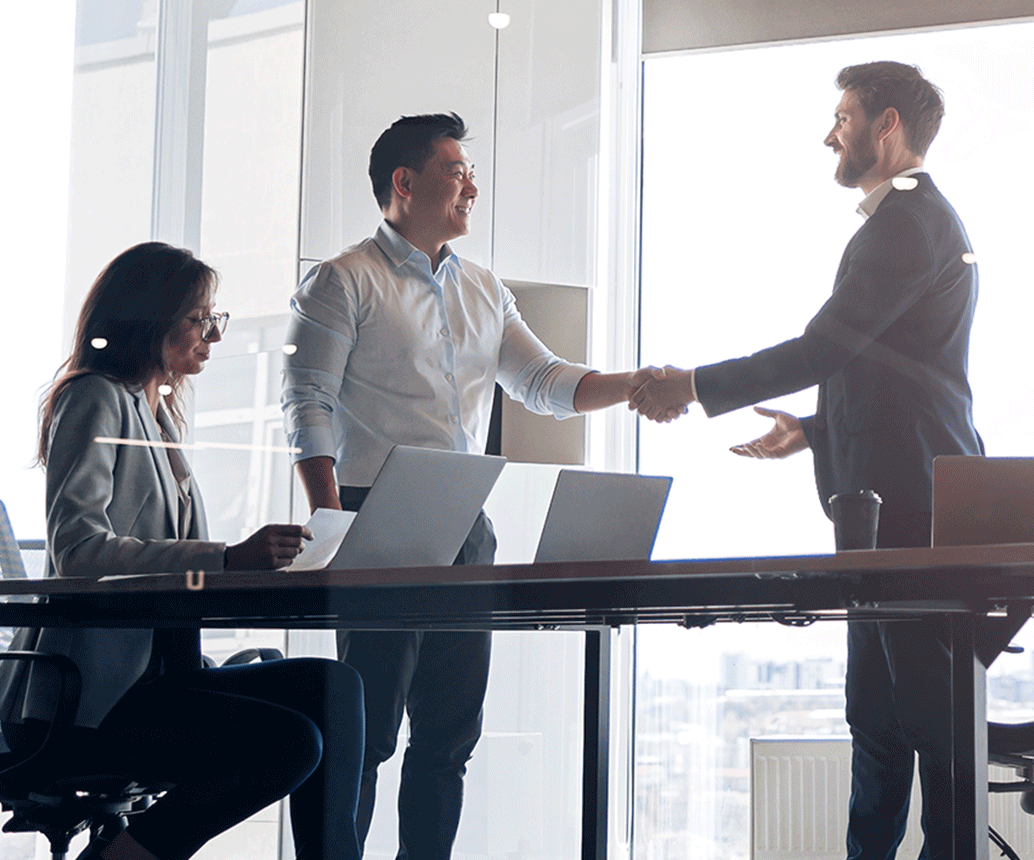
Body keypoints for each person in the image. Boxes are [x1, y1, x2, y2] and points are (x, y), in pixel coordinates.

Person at [630, 61, 981, 860]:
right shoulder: (917, 222)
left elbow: (827, 345)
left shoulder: (905, 222)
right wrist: (819, 432)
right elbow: (900, 373)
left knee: (920, 722)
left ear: (886, 125)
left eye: (845, 117)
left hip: (912, 509)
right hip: (897, 498)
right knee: (881, 716)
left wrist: (692, 384)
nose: (832, 134)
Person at [282, 112, 656, 860]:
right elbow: (308, 405)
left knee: (449, 737)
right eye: (458, 171)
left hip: (466, 522)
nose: (472, 187)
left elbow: (544, 383)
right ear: (405, 181)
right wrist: (331, 523)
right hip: (372, 520)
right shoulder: (342, 279)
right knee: (368, 735)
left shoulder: (485, 289)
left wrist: (637, 384)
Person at [0, 241, 366, 860]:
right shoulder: (94, 398)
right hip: (88, 703)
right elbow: (79, 550)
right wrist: (225, 559)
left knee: (333, 686)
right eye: (200, 320)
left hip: (158, 677)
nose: (212, 336)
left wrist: (257, 562)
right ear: (151, 319)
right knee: (291, 742)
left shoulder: (156, 415)